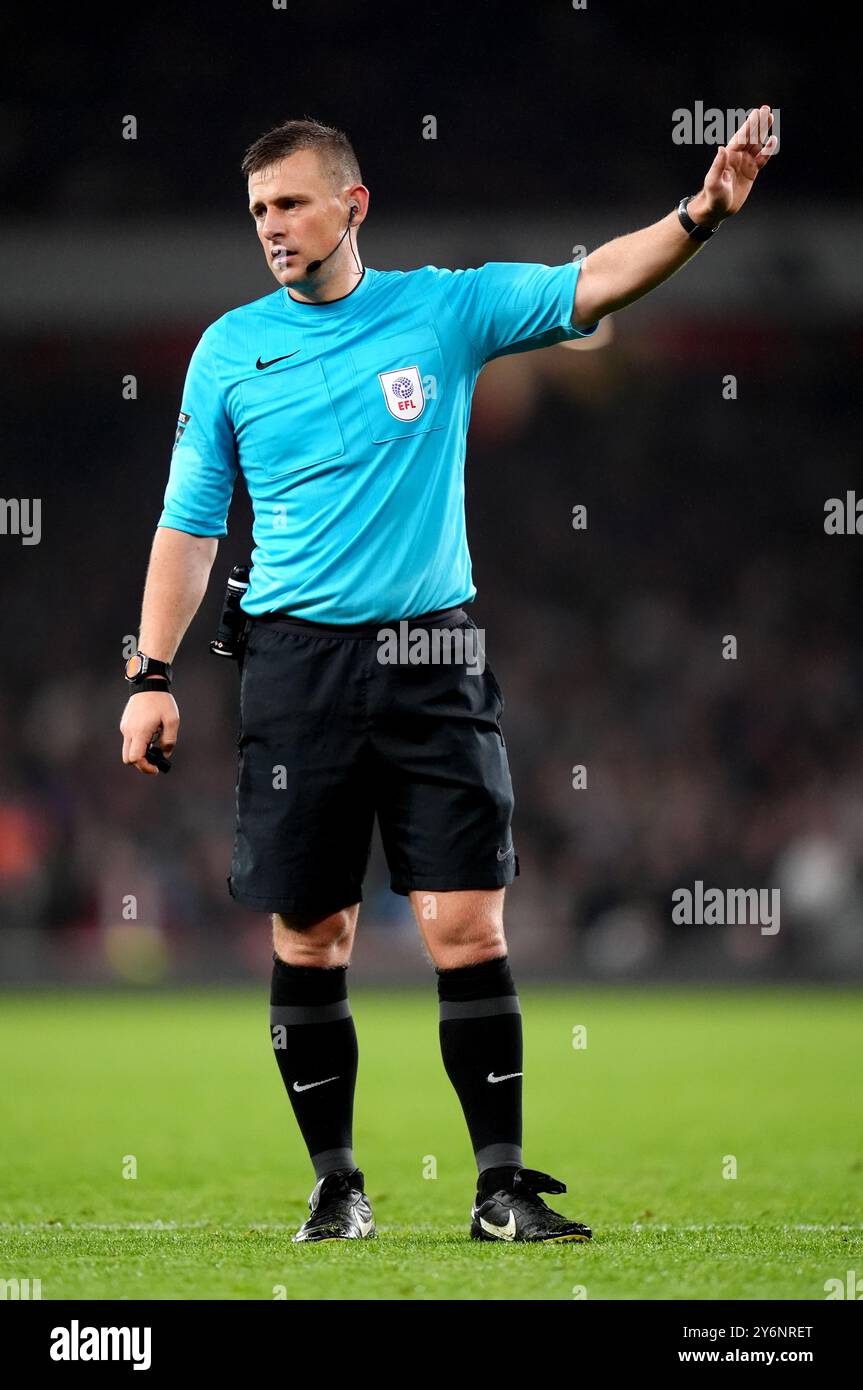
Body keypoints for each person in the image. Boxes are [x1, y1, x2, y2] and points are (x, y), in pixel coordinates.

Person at [119, 110, 776, 1243]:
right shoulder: (228, 349)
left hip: (432, 655)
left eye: (291, 203)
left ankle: (500, 1189)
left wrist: (699, 216)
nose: (273, 227)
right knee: (309, 934)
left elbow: (590, 286)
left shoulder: (442, 309)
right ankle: (336, 1185)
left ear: (351, 205)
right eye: (259, 211)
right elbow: (188, 524)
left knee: (467, 926)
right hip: (294, 664)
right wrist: (149, 670)